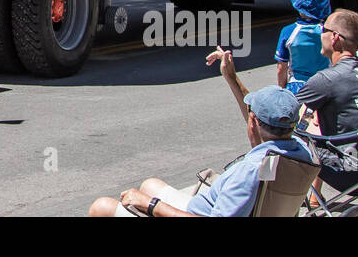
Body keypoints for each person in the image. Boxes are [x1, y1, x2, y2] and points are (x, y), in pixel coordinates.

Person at [88, 84, 312, 217]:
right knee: (150, 184)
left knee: (103, 207)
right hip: (218, 207)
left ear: (252, 121)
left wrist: (151, 205)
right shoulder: (300, 154)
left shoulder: (250, 173)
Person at [293, 9, 358, 190]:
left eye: (323, 28)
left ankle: (282, 201)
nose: (319, 32)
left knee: (287, 131)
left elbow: (279, 111)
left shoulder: (327, 80)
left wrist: (232, 78)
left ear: (335, 38)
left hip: (351, 173)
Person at [275, 0, 332, 93]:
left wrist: (282, 90)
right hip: (324, 84)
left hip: (298, 87)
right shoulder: (328, 32)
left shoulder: (288, 31)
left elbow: (282, 67)